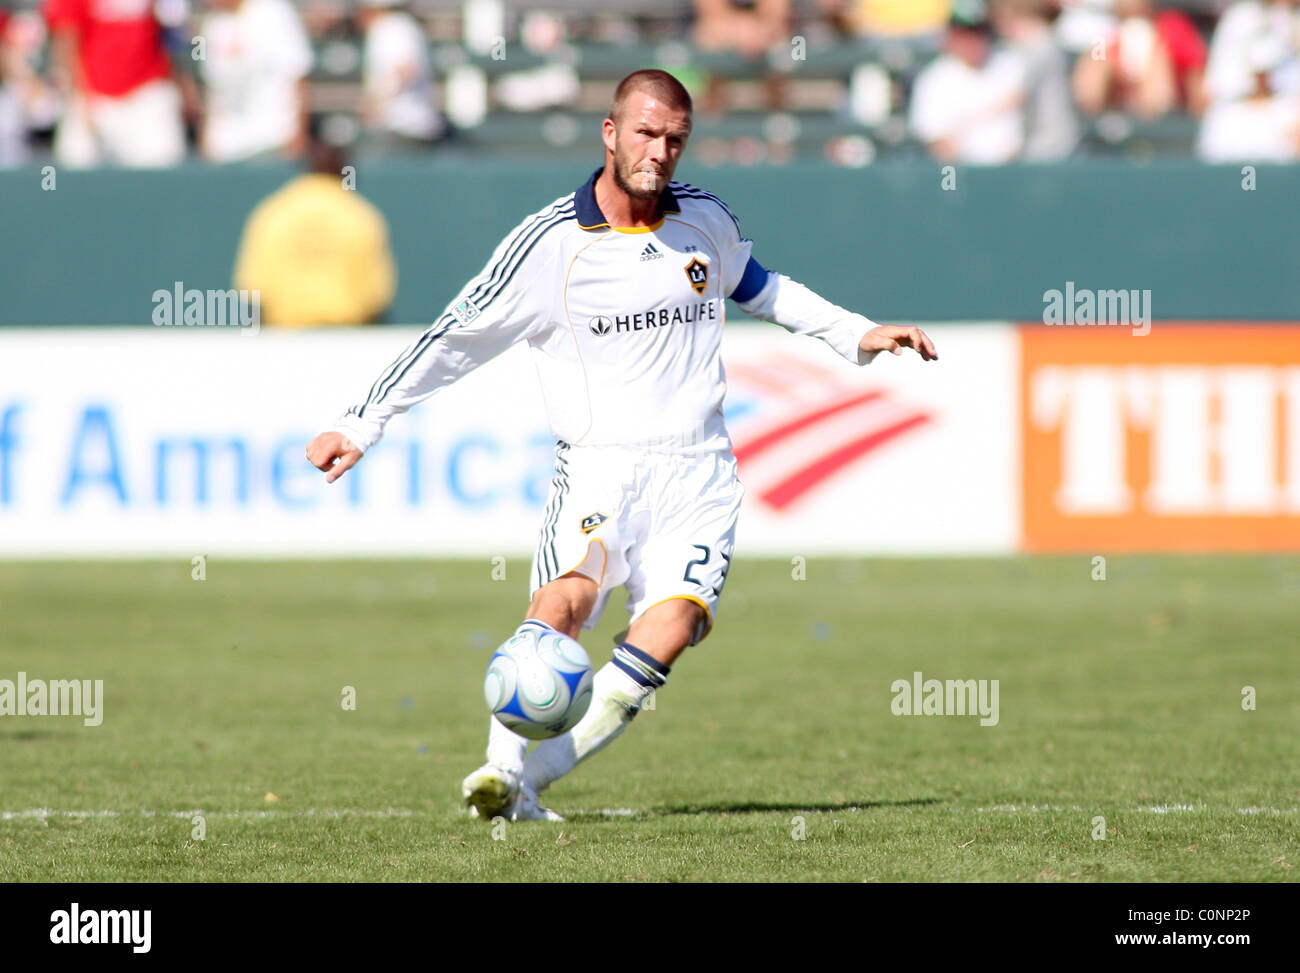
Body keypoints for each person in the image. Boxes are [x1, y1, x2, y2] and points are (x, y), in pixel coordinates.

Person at [305, 69, 937, 821]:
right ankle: (499, 766)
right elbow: (455, 338)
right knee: (565, 602)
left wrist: (853, 332)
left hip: (699, 476)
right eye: (645, 133)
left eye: (675, 138)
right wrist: (363, 421)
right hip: (602, 474)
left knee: (666, 634)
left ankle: (523, 784)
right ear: (610, 133)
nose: (660, 151)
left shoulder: (704, 219)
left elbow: (759, 285)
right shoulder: (550, 245)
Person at [233, 137, 396, 325]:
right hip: (346, 338)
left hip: (285, 337)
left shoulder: (274, 212)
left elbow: (254, 288)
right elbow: (376, 296)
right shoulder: (360, 215)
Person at [42, 0, 186, 167]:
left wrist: (183, 85)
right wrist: (81, 102)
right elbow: (65, 40)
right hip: (93, 96)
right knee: (75, 167)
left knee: (161, 171)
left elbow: (170, 31)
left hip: (147, 92)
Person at [197, 0, 313, 163]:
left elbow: (297, 72)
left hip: (272, 141)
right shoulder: (212, 24)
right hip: (225, 148)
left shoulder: (274, 12)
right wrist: (206, 138)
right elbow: (212, 88)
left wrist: (299, 134)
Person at [909, 8, 1027, 163]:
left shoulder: (1011, 64)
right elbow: (937, 142)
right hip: (965, 171)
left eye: (979, 33)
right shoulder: (935, 79)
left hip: (1019, 167)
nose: (974, 41)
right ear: (952, 37)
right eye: (966, 34)